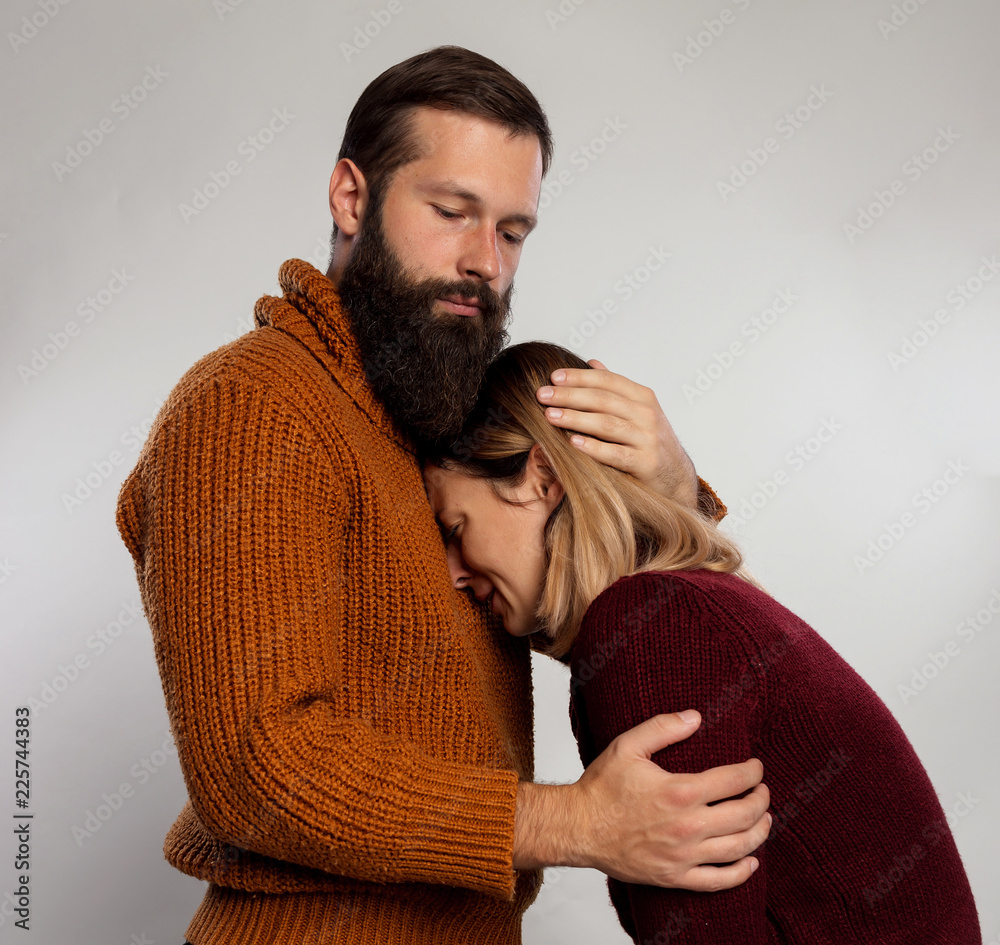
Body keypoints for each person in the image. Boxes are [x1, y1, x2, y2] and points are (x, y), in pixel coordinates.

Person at [115, 47, 770, 945]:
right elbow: (256, 767)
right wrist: (575, 823)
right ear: (352, 197)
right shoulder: (253, 405)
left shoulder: (425, 415)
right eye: (452, 211)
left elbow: (600, 622)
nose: (482, 263)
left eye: (511, 231)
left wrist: (673, 488)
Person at [423, 340, 983, 944]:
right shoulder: (684, 605)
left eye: (456, 529)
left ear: (544, 478)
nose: (452, 572)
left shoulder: (652, 624)